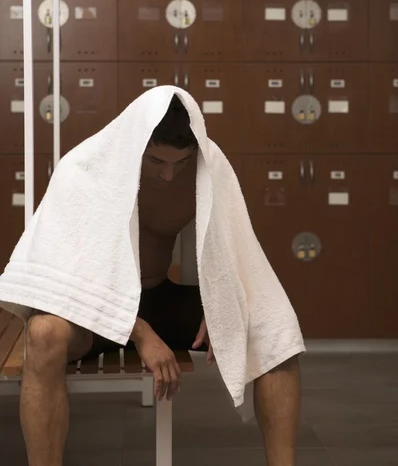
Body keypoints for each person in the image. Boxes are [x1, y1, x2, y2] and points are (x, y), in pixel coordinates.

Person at [11, 94, 301, 466]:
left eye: (179, 163)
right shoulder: (85, 168)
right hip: (92, 310)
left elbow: (231, 246)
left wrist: (222, 303)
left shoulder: (206, 167)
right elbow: (64, 282)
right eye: (156, 161)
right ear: (135, 144)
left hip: (157, 295)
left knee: (274, 327)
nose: (168, 174)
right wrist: (141, 333)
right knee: (43, 333)